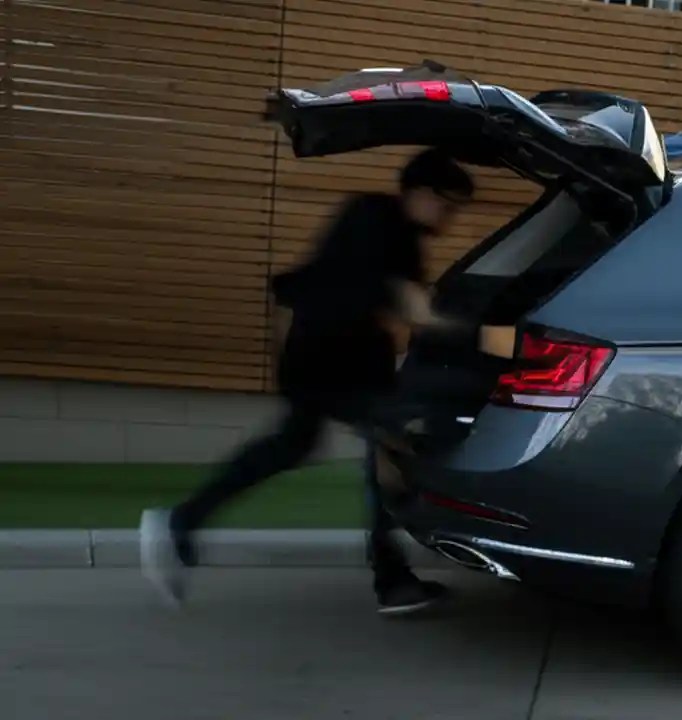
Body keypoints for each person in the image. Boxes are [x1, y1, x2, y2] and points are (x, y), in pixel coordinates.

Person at [140, 149, 475, 615]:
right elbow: (415, 312)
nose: (451, 217)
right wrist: (489, 336)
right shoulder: (394, 230)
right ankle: (393, 581)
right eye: (449, 204)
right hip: (341, 361)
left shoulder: (364, 211)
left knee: (294, 444)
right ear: (420, 193)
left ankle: (182, 521)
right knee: (389, 447)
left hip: (314, 355)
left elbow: (309, 286)